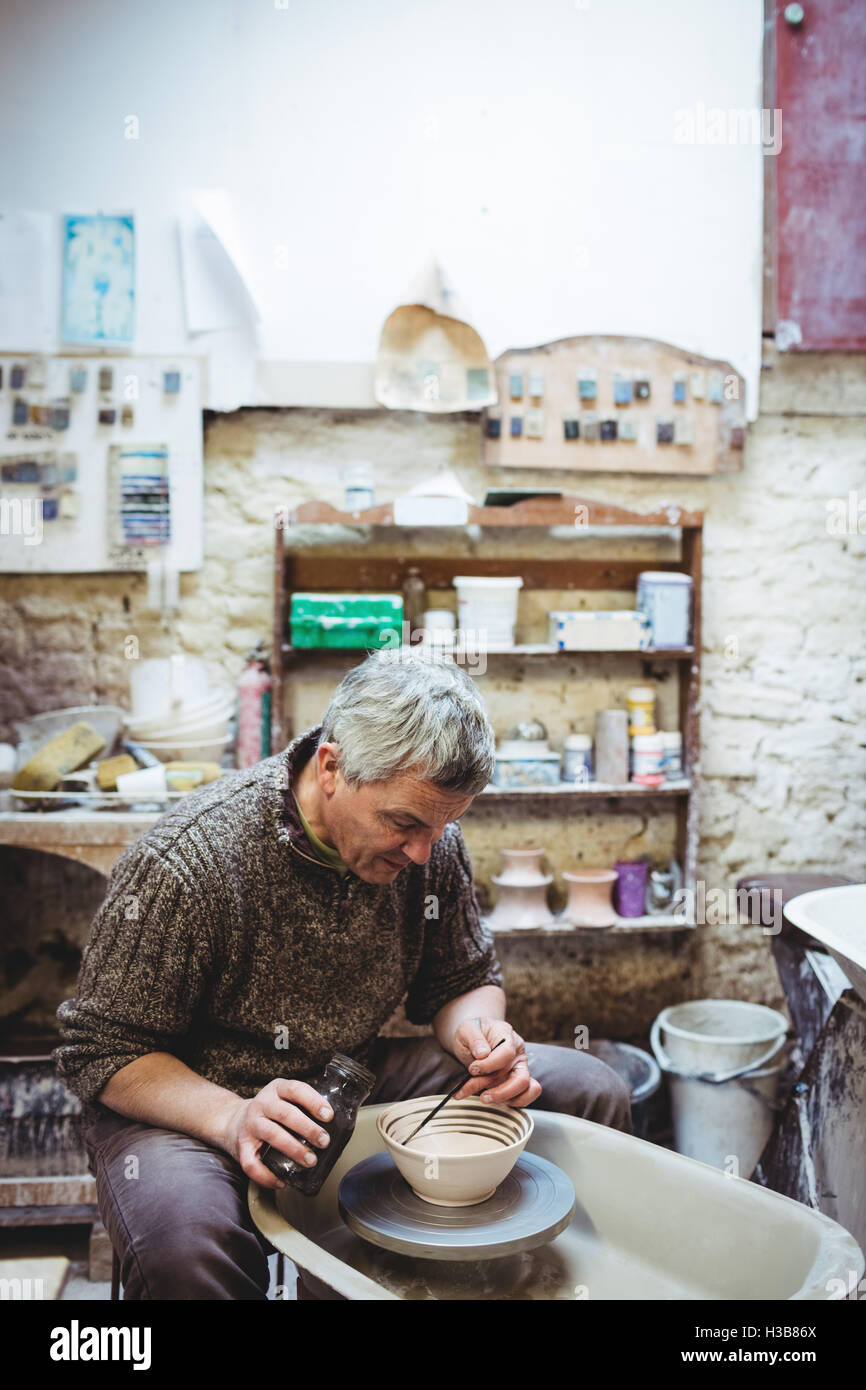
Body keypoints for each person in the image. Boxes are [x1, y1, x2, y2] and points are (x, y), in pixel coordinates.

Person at [55, 648, 630, 1300]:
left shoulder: (430, 841)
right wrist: (233, 1118)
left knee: (588, 1088)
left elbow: (461, 976)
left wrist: (481, 1034)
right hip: (191, 1100)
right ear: (331, 768)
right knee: (188, 1252)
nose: (422, 853)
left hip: (342, 1074)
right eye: (404, 823)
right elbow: (101, 1052)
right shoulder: (189, 860)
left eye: (443, 827)